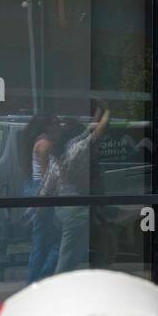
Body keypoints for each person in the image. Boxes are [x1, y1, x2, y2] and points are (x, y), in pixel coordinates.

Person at [41, 101, 112, 275]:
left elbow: (87, 131)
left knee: (70, 253)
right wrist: (109, 110)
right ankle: (57, 290)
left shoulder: (58, 153)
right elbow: (94, 133)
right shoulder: (75, 151)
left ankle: (53, 285)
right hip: (76, 209)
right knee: (68, 257)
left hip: (62, 208)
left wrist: (99, 112)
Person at [22, 112, 61, 283]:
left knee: (42, 240)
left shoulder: (39, 141)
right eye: (56, 123)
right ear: (47, 126)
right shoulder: (45, 144)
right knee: (48, 240)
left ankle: (36, 281)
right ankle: (38, 281)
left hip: (35, 188)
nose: (59, 127)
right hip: (42, 190)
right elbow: (47, 177)